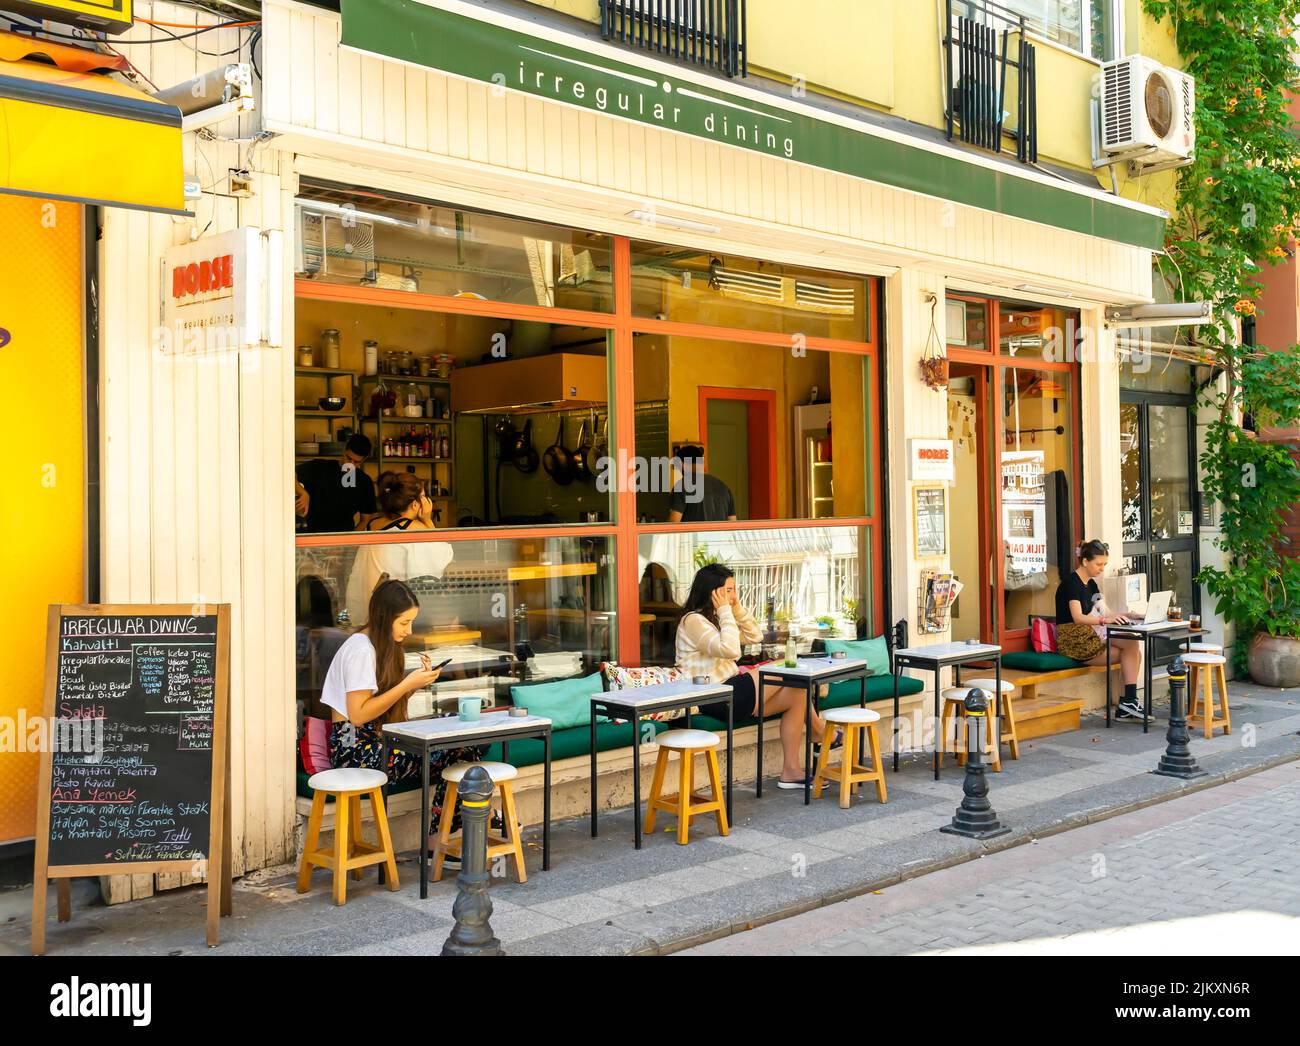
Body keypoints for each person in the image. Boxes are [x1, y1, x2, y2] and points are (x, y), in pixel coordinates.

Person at [321, 577, 484, 838]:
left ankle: (447, 834)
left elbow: (380, 705)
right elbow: (358, 715)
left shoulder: (379, 646)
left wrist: (413, 686)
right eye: (404, 622)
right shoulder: (361, 649)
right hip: (353, 750)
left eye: (411, 622)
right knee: (459, 748)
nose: (409, 630)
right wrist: (406, 683)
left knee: (464, 739)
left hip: (375, 740)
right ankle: (451, 833)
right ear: (385, 617)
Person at [676, 564, 833, 789]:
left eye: (733, 590)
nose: (732, 596)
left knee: (798, 692)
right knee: (788, 666)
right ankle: (819, 731)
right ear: (712, 592)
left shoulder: (715, 618)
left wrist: (736, 608)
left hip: (734, 691)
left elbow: (755, 635)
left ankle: (791, 771)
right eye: (728, 591)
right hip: (714, 696)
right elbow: (732, 650)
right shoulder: (693, 621)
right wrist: (726, 613)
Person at [1055, 539, 1147, 721]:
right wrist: (1104, 620)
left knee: (1133, 650)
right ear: (1085, 561)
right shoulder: (1070, 584)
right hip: (1075, 641)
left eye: (1104, 564)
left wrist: (1131, 615)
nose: (1102, 569)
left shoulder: (1092, 585)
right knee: (1131, 647)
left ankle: (1127, 703)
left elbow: (1107, 612)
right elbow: (1078, 617)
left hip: (1092, 636)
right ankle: (1127, 703)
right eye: (1099, 564)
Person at [344, 472, 455, 624]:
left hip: (366, 607)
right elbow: (444, 556)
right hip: (394, 613)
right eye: (423, 496)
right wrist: (428, 521)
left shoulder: (373, 524)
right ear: (416, 504)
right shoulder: (415, 528)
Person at [296, 434, 378, 533]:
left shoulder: (364, 481)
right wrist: (302, 492)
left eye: (356, 462)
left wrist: (351, 540)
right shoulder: (319, 467)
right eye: (348, 458)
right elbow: (288, 471)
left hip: (344, 537)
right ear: (344, 451)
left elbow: (365, 519)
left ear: (364, 460)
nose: (350, 464)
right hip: (313, 534)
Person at [668, 444, 737, 523]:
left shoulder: (681, 486)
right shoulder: (724, 487)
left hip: (693, 535)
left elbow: (673, 524)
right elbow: (733, 523)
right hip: (722, 535)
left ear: (682, 464)